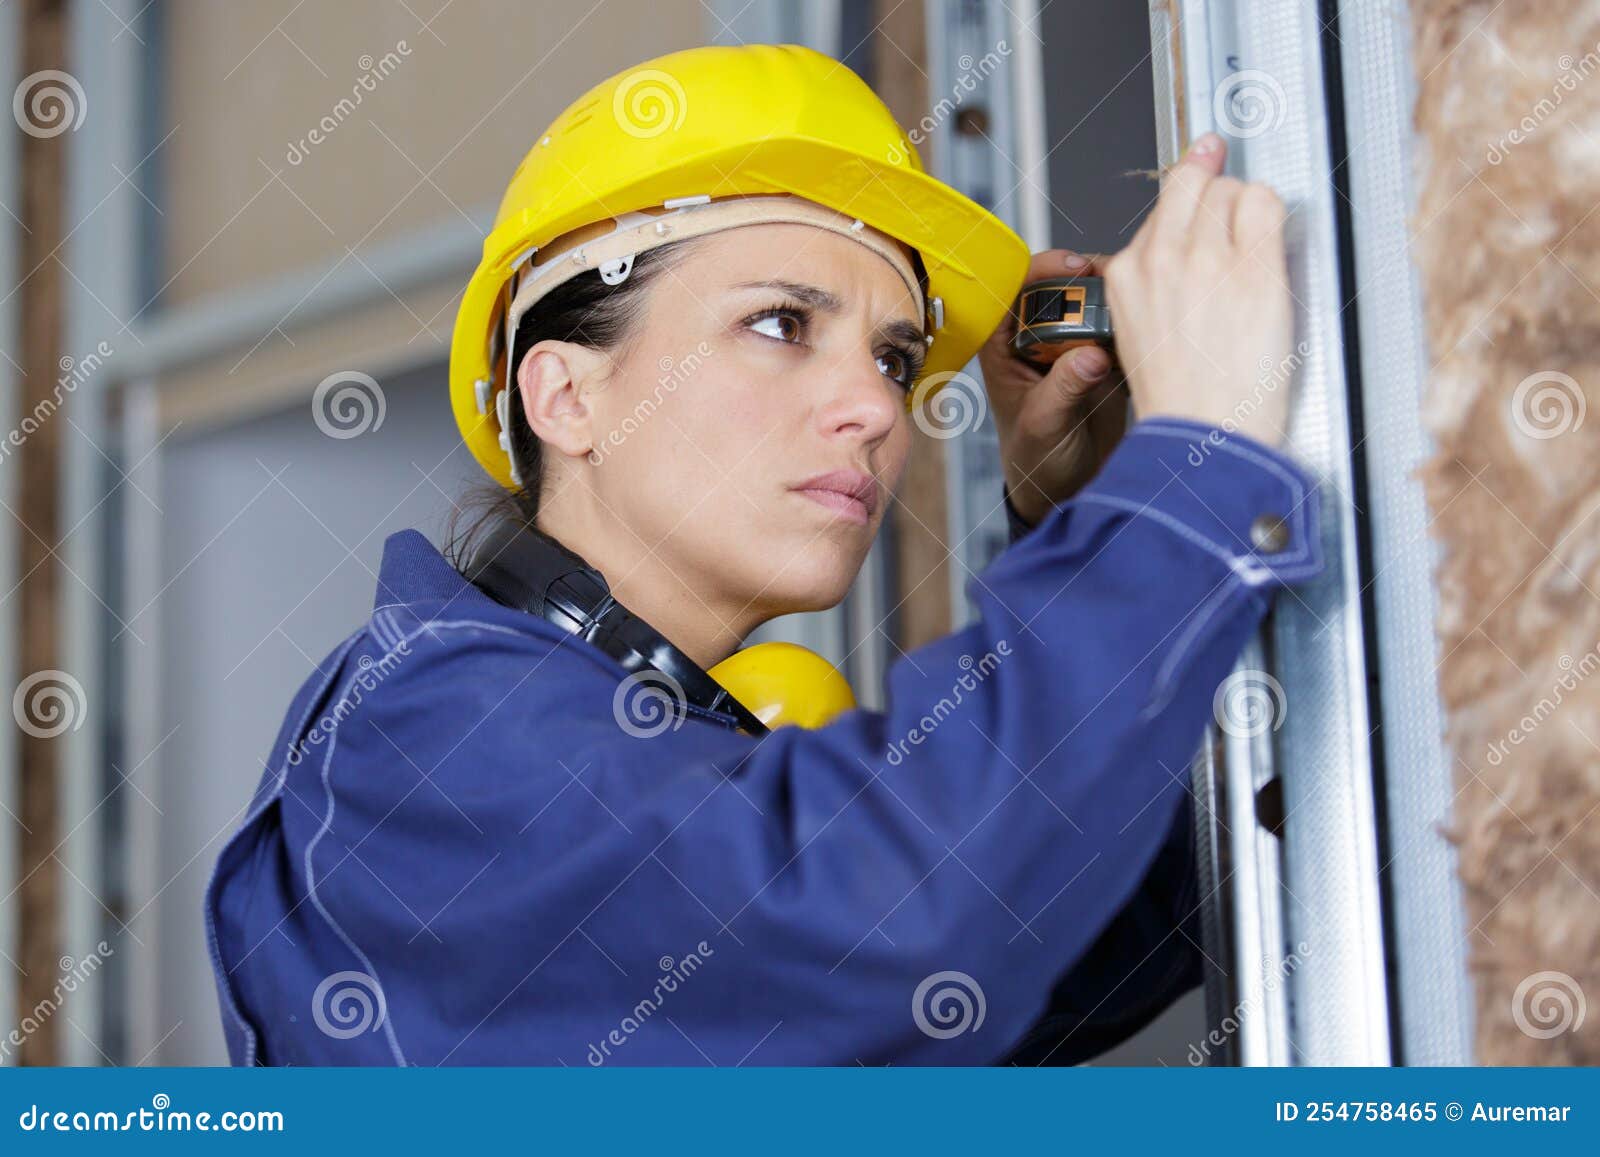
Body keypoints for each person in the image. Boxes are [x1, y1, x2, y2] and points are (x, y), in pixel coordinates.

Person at [205, 43, 1318, 1065]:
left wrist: (1080, 517)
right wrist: (1191, 475)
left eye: (892, 356)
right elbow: (901, 925)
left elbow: (1075, 939)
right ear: (566, 393)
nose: (877, 408)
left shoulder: (679, 759)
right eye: (782, 323)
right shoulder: (430, 734)